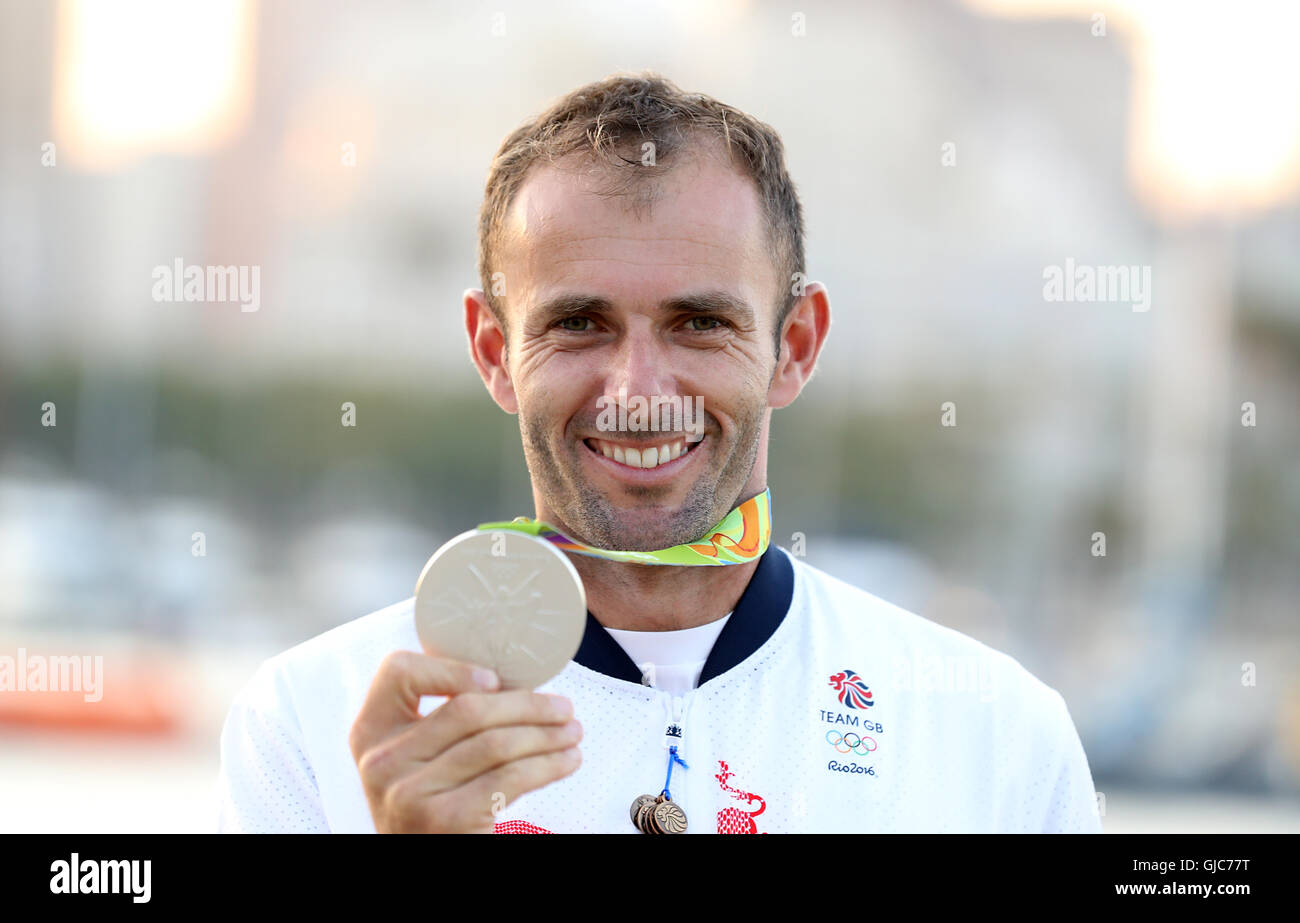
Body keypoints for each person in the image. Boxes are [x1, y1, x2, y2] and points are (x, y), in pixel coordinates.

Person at [215, 72, 1103, 834]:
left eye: (700, 323)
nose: (639, 389)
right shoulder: (312, 720)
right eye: (578, 323)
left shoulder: (995, 734)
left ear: (794, 345)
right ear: (494, 351)